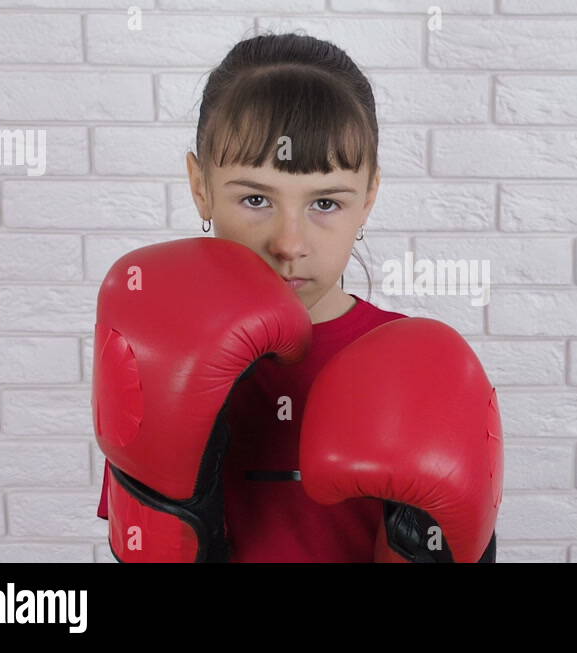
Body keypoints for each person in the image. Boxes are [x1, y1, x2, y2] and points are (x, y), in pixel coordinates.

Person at [96, 31, 408, 562]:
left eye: (326, 203)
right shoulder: (164, 351)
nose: (289, 243)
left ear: (370, 197)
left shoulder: (407, 361)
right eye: (257, 198)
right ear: (201, 186)